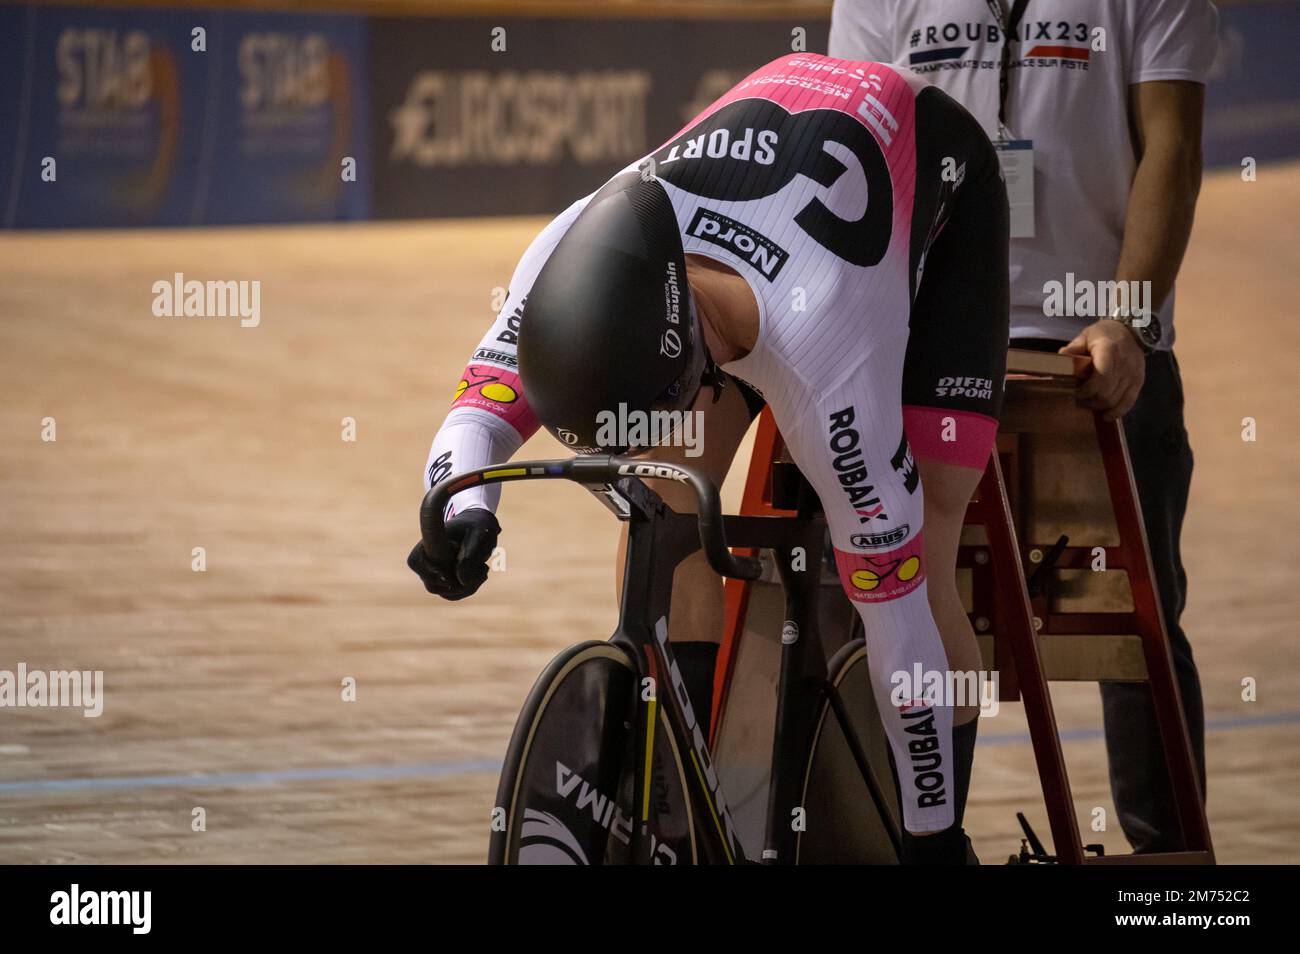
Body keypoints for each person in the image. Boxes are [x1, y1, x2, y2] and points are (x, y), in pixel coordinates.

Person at [409, 53, 1009, 864]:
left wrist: (932, 839)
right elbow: (472, 418)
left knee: (921, 557)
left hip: (931, 175)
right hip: (756, 216)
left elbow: (891, 604)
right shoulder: (568, 252)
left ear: (693, 374)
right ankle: (676, 817)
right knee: (665, 508)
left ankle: (940, 825)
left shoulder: (833, 363)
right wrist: (463, 511)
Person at [830, 0, 1217, 853]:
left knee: (1137, 624)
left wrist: (1130, 320)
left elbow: (1173, 150)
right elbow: (859, 153)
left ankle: (1173, 871)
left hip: (1097, 350)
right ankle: (926, 842)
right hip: (927, 348)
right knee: (914, 604)